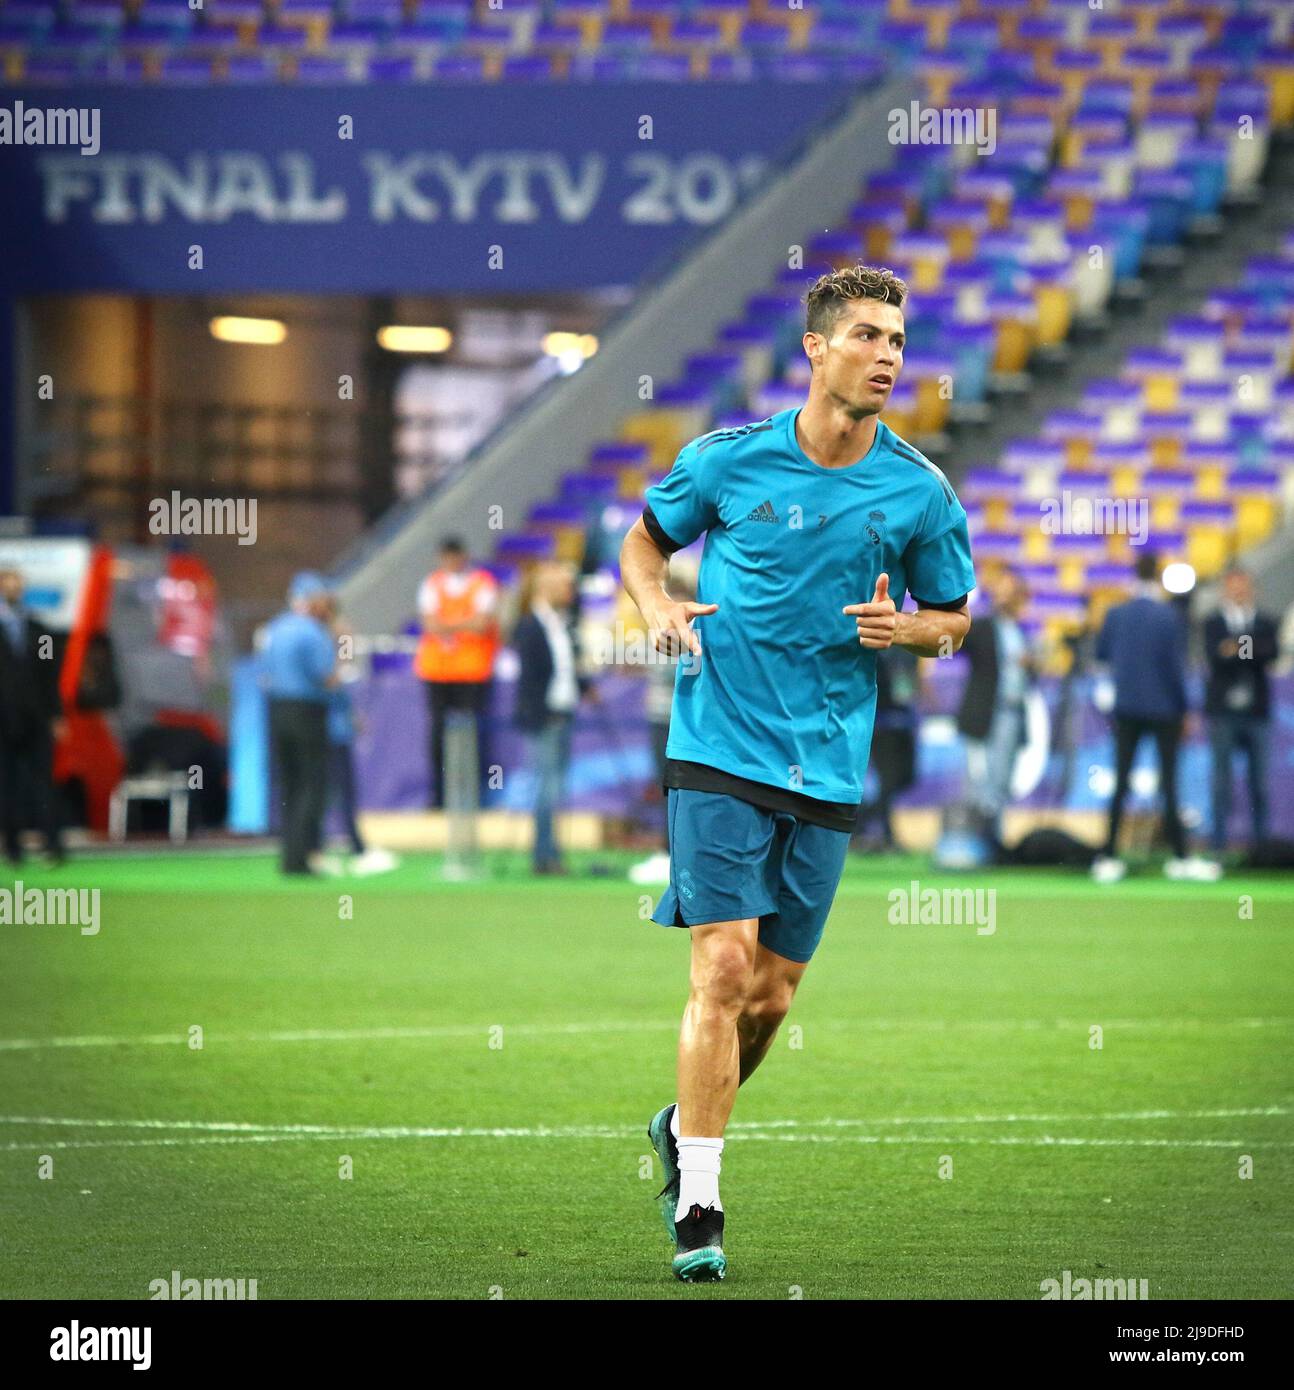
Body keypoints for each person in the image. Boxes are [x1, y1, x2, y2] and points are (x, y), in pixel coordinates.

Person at [619, 264, 975, 1281]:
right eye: (867, 336)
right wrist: (654, 606)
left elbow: (954, 620)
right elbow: (642, 544)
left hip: (824, 761)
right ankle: (700, 1198)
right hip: (716, 743)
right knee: (722, 968)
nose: (888, 356)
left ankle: (680, 1122)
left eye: (898, 342)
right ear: (815, 349)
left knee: (771, 998)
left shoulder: (917, 489)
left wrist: (910, 629)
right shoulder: (727, 462)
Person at [1091, 552, 1219, 883]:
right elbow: (1177, 669)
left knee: (1121, 782)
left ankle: (1108, 857)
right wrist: (1186, 709)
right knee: (1170, 784)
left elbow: (1101, 654)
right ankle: (1180, 857)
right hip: (1164, 709)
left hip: (1128, 706)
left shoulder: (1116, 613)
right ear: (1159, 576)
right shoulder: (1169, 616)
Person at [511, 561, 594, 875]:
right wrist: (537, 713)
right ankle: (543, 855)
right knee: (545, 787)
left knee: (556, 788)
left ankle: (552, 852)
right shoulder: (531, 625)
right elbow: (531, 676)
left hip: (563, 713)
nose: (570, 592)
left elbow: (567, 666)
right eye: (564, 586)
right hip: (544, 718)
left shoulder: (563, 623)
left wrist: (584, 687)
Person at [414, 538, 500, 811]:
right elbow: (430, 624)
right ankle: (439, 798)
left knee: (473, 735)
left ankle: (472, 799)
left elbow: (481, 625)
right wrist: (464, 623)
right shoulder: (432, 584)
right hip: (438, 671)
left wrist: (447, 625)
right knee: (438, 737)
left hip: (472, 671)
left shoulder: (482, 584)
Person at [262, 572, 336, 876]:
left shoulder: (275, 629)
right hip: (306, 711)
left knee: (290, 785)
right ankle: (304, 855)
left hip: (276, 710)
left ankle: (289, 856)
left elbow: (264, 674)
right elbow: (325, 675)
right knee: (312, 784)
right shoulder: (313, 632)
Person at [320, 596, 398, 877]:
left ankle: (343, 846)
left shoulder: (332, 660)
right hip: (327, 732)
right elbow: (330, 686)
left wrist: (352, 717)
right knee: (336, 790)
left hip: (335, 729)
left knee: (339, 790)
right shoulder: (327, 658)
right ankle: (348, 848)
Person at [956, 568, 1034, 844]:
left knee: (1001, 778)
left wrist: (1031, 664)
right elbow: (957, 642)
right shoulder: (983, 626)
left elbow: (1027, 676)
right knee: (979, 778)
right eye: (1001, 589)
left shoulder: (1021, 631)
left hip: (1012, 712)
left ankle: (993, 838)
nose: (1005, 596)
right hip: (984, 713)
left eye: (1010, 590)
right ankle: (972, 838)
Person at [1204, 566, 1278, 855]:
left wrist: (1234, 647)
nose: (1238, 592)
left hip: (1257, 712)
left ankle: (1262, 849)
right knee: (1221, 783)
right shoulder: (1212, 622)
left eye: (1242, 587)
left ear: (1252, 589)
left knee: (1259, 783)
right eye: (1233, 587)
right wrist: (1248, 649)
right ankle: (1218, 847)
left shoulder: (1266, 621)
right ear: (1225, 590)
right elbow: (1215, 657)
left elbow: (1267, 653)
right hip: (1224, 712)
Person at [0, 567, 66, 865]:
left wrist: (56, 714)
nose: (13, 587)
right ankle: (13, 847)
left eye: (17, 582)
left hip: (38, 717)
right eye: (7, 582)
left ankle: (52, 843)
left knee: (43, 781)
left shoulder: (40, 630)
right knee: (7, 783)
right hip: (3, 719)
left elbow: (51, 675)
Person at [851, 645, 919, 852]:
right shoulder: (872, 650)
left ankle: (861, 820)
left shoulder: (908, 650)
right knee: (888, 780)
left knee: (906, 777)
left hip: (904, 721)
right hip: (881, 724)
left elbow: (910, 682)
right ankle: (885, 834)